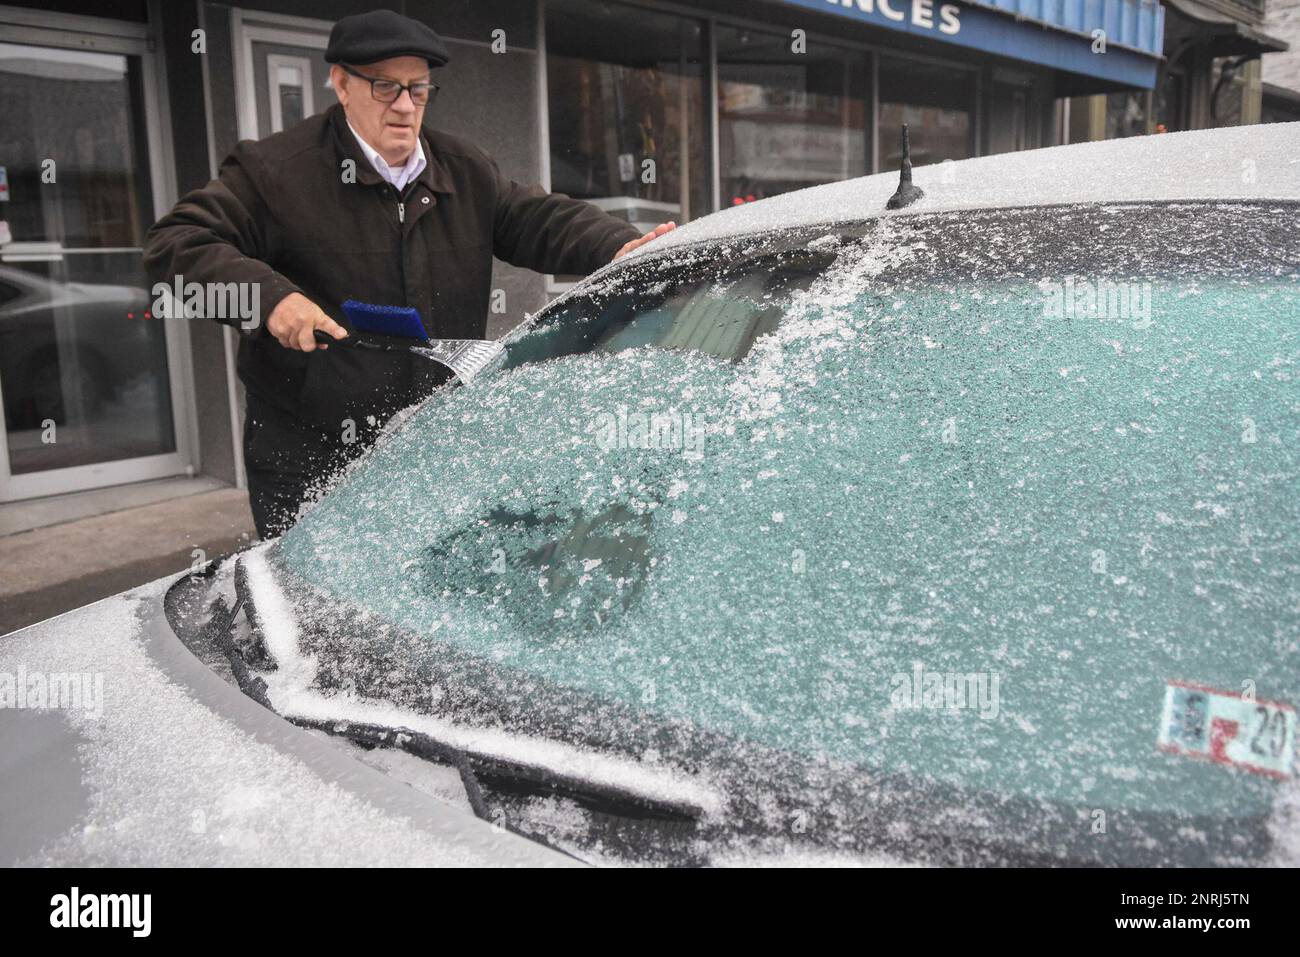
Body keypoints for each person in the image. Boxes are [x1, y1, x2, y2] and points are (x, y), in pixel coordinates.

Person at [144, 9, 673, 538]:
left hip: (435, 447)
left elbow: (539, 219)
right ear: (342, 84)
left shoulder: (464, 170)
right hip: (309, 456)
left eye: (417, 90)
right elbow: (175, 248)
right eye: (384, 88)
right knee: (311, 611)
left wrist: (618, 244)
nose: (403, 107)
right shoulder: (275, 173)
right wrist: (271, 301)